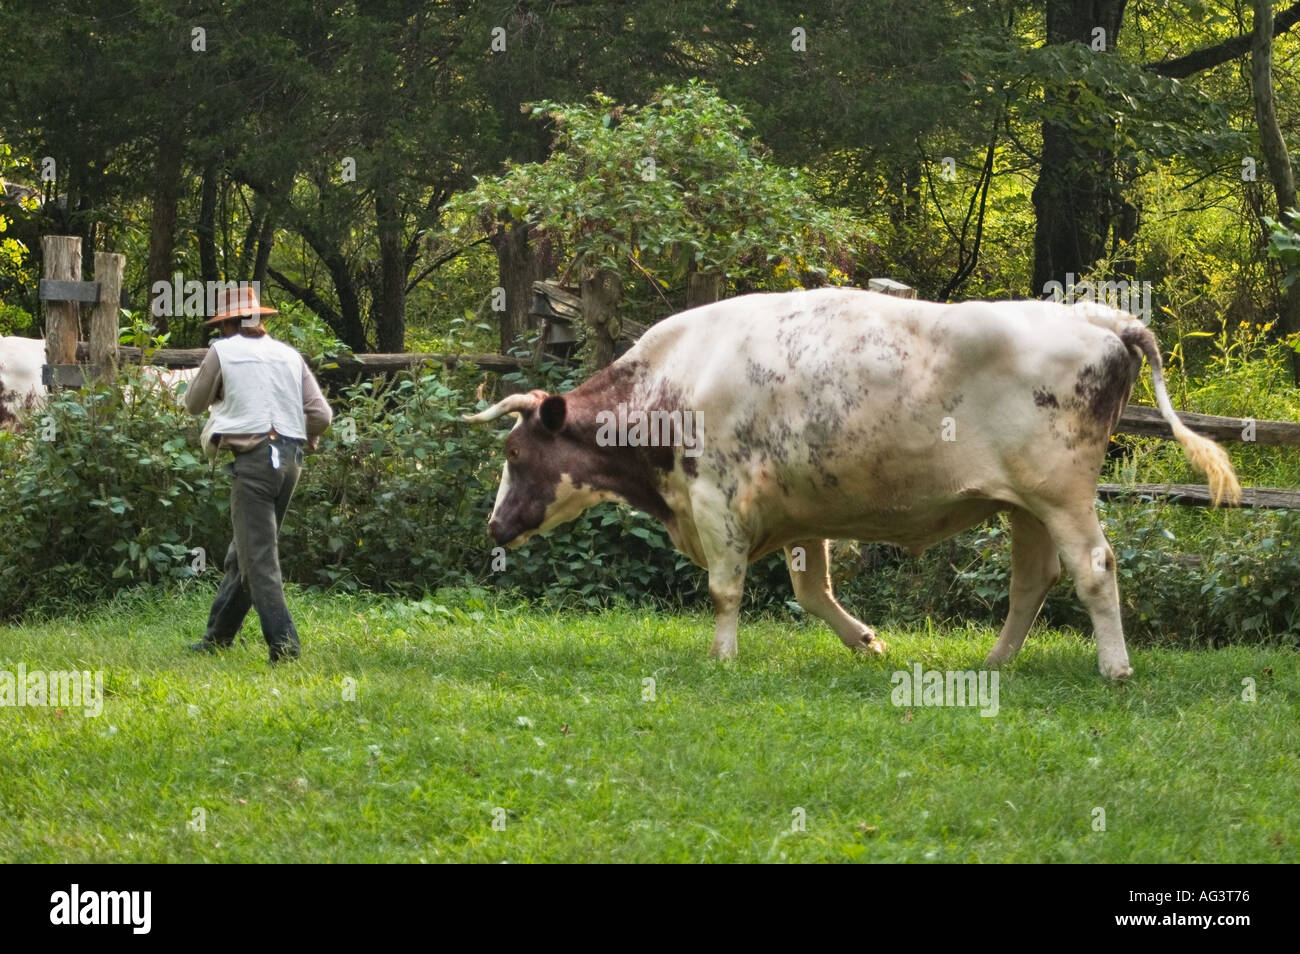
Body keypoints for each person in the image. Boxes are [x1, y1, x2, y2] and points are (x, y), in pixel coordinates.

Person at [184, 285, 333, 662]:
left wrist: (221, 393)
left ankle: (285, 646)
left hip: (252, 463)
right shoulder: (288, 355)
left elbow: (192, 404)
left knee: (258, 559)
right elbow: (323, 417)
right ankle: (217, 637)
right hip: (290, 462)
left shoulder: (223, 351)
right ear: (259, 320)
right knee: (246, 553)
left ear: (229, 323)